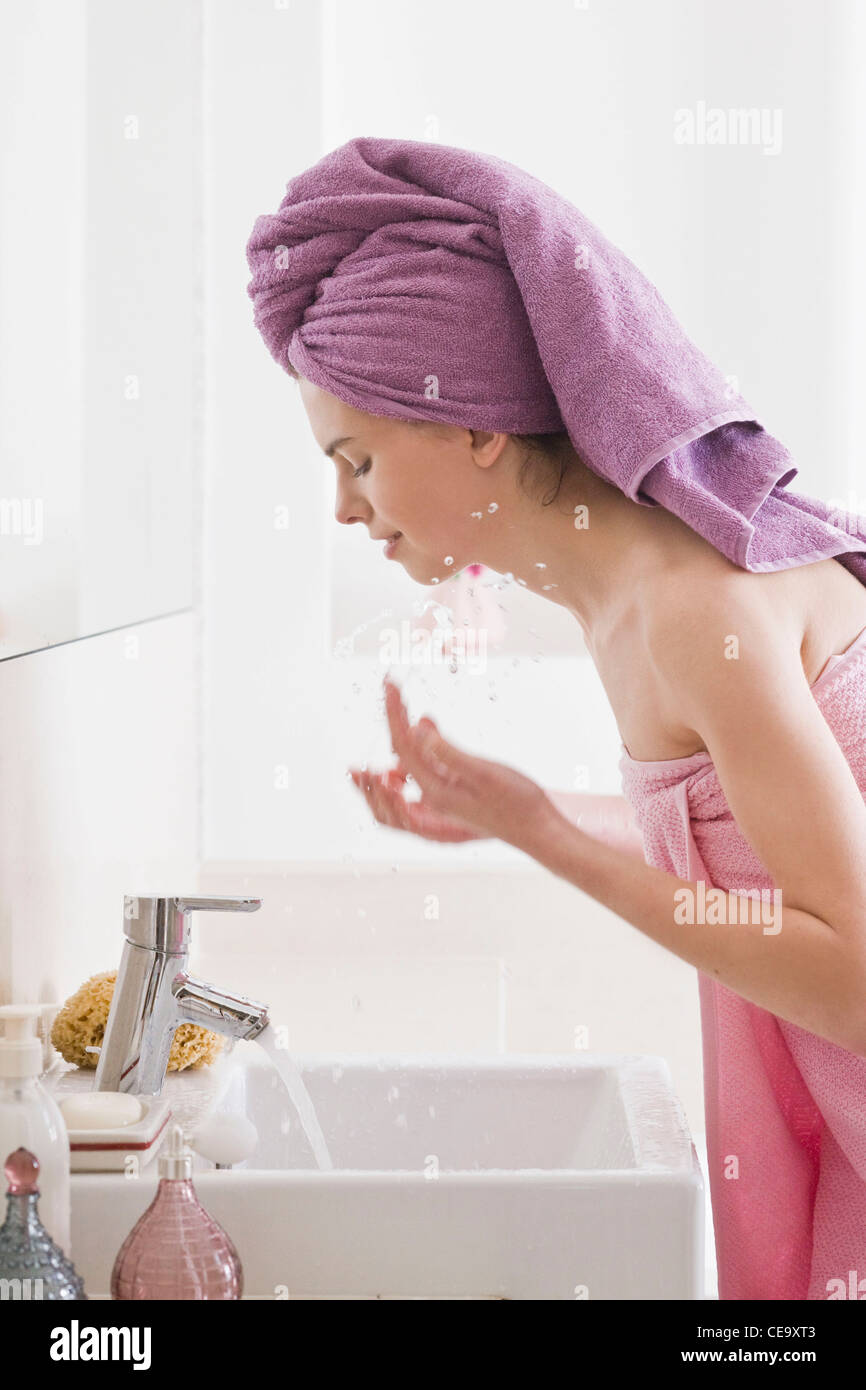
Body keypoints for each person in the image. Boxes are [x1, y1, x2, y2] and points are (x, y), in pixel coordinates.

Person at [246, 136, 866, 1300]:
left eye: (357, 459)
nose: (342, 507)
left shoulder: (691, 610)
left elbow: (852, 978)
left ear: (472, 423)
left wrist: (547, 837)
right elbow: (744, 847)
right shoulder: (631, 597)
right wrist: (517, 812)